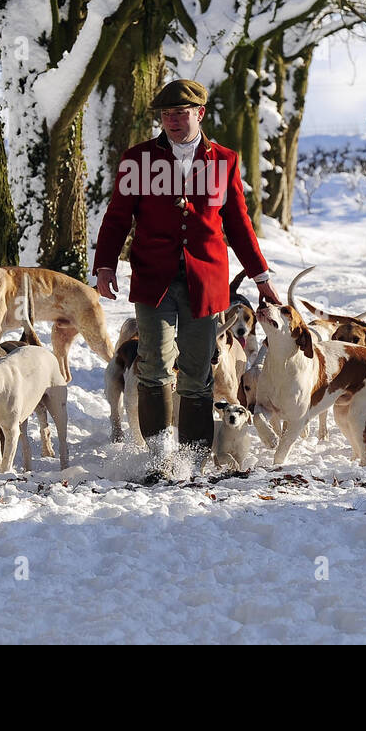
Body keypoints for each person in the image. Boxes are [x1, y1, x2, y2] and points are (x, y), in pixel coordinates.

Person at [93, 79, 282, 470]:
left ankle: (194, 460)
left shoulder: (224, 161)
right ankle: (161, 457)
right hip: (153, 278)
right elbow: (116, 217)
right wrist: (106, 266)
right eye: (166, 115)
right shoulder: (137, 159)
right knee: (155, 365)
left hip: (205, 279)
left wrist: (261, 277)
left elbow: (239, 224)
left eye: (180, 114)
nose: (173, 122)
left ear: (199, 114)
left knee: (198, 371)